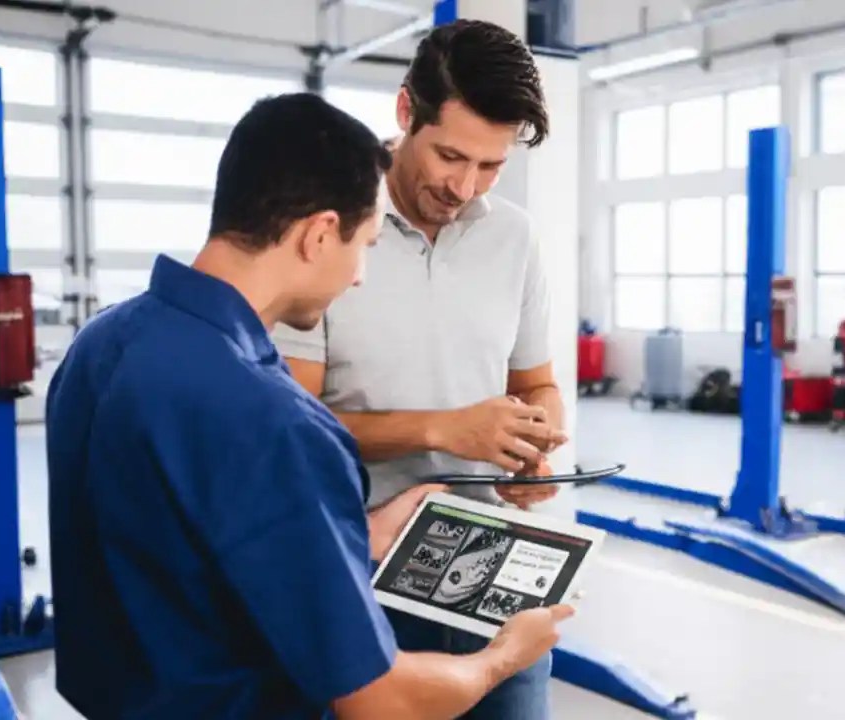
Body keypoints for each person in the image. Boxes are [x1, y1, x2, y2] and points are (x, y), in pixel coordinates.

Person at [45, 92, 572, 720]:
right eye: (367, 245)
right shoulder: (276, 420)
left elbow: (180, 547)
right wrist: (505, 656)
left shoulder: (101, 345)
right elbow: (381, 701)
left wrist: (362, 531)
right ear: (320, 233)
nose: (358, 277)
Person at [273, 19, 565, 720]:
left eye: (490, 166)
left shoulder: (514, 237)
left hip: (485, 546)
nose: (465, 186)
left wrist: (538, 446)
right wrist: (446, 429)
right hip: (356, 557)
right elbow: (289, 428)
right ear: (407, 112)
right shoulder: (327, 223)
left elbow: (537, 386)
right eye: (450, 156)